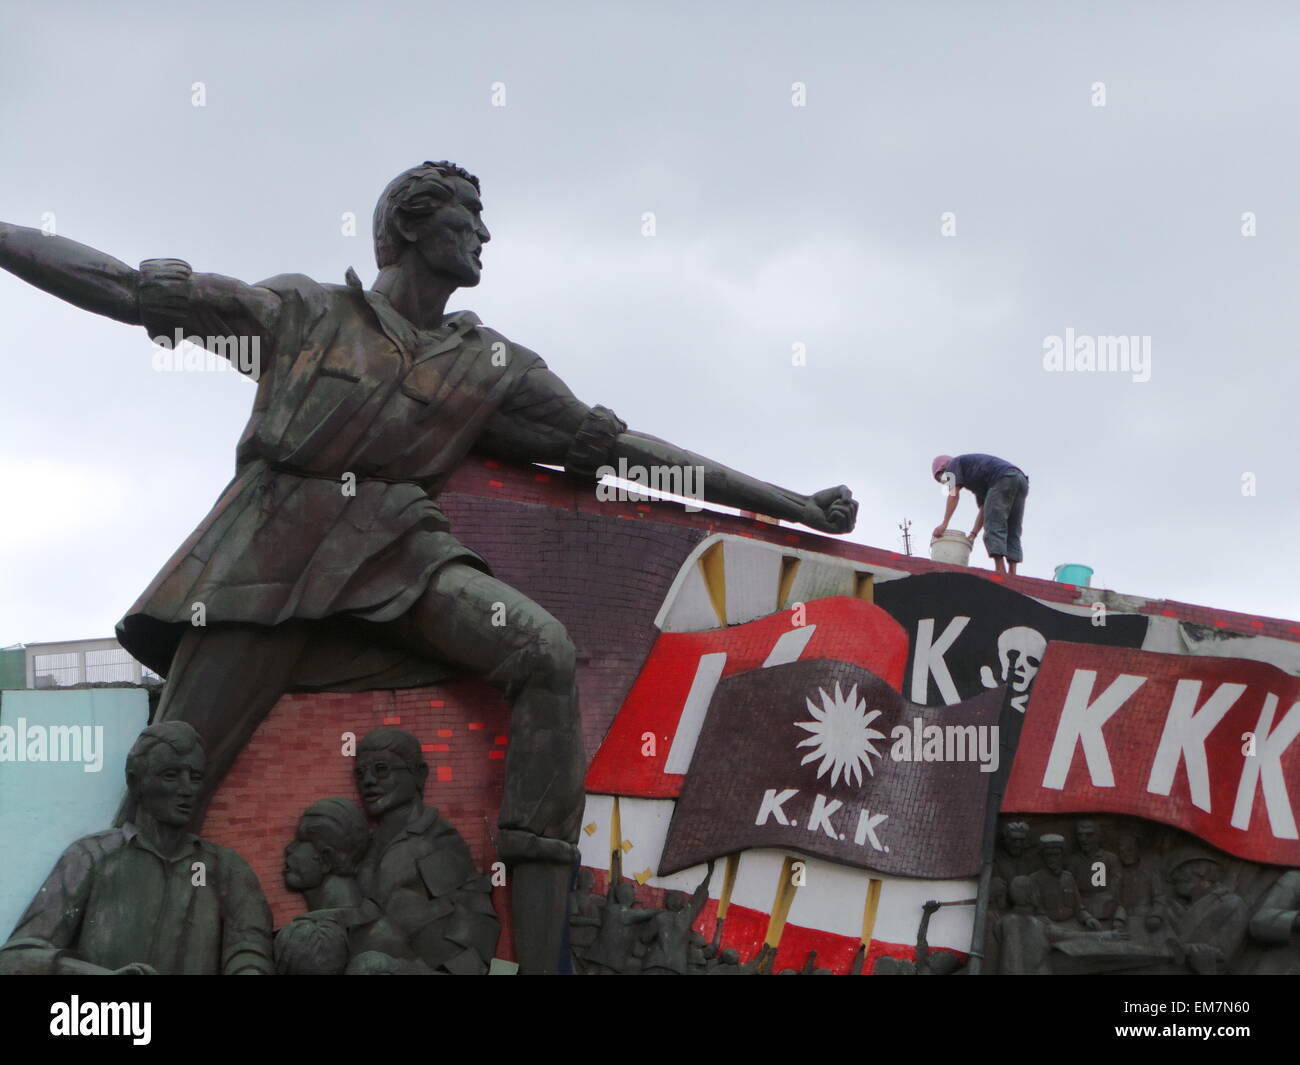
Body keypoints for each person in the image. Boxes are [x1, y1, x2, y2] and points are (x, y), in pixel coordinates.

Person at [0, 162, 857, 973]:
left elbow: (624, 450)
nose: (485, 234)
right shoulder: (306, 311)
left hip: (400, 557)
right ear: (412, 225)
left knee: (542, 651)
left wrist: (791, 506)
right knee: (174, 763)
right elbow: (129, 289)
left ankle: (544, 947)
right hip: (266, 565)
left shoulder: (488, 364)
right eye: (468, 217)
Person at [0, 722, 273, 975]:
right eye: (170, 775)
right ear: (135, 781)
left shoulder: (226, 868)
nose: (187, 789)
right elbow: (15, 958)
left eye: (196, 777)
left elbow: (250, 952)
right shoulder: (90, 858)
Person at [931, 453, 1029, 575]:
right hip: (1020, 480)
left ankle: (1001, 570)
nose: (944, 482)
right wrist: (973, 535)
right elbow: (984, 510)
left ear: (943, 469)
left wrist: (944, 524)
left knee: (994, 525)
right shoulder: (978, 480)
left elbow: (953, 495)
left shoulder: (953, 465)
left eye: (941, 478)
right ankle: (1013, 574)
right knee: (1013, 527)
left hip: (1003, 478)